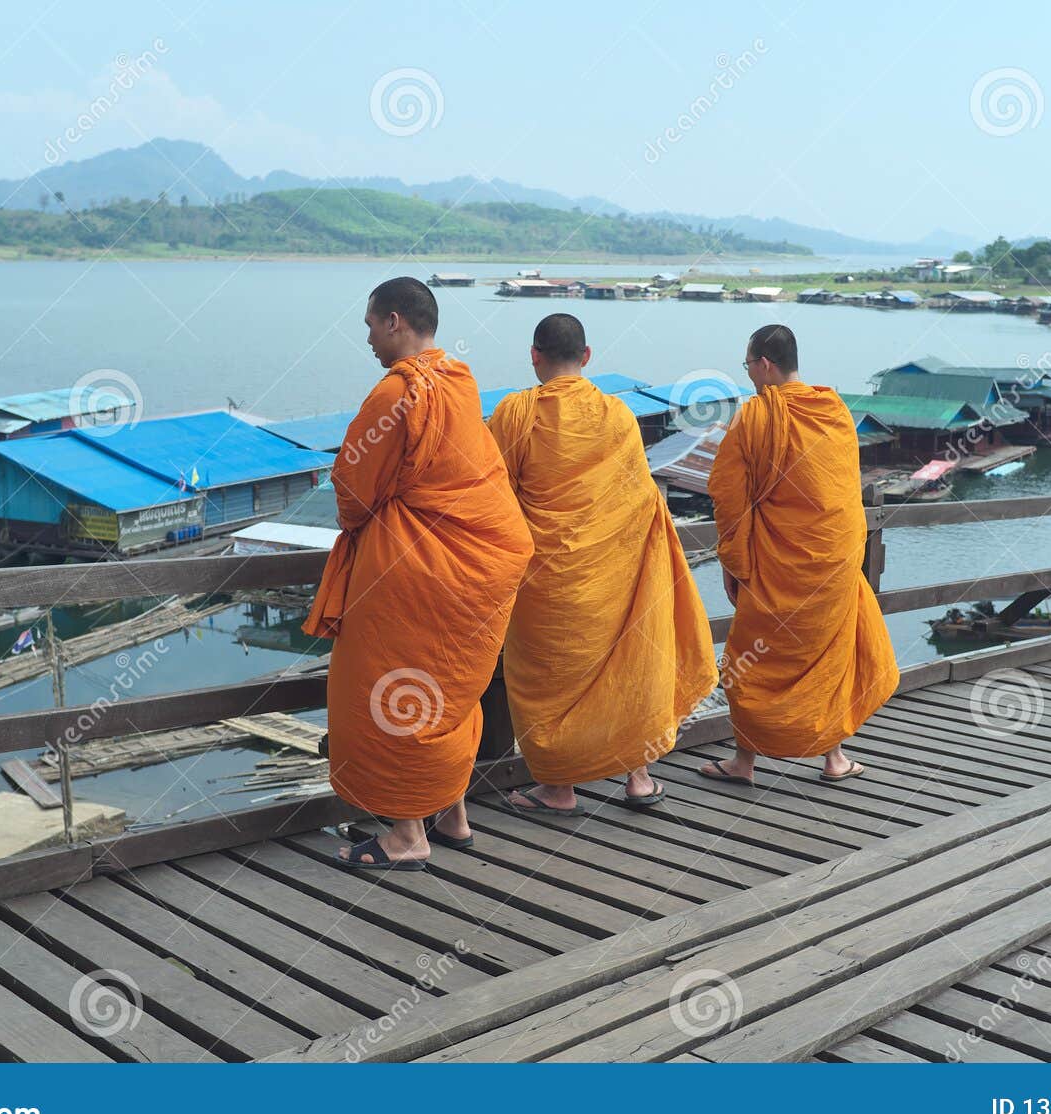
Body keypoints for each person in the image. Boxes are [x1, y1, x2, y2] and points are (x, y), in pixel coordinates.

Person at [306, 276, 533, 870]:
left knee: (391, 686)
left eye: (370, 326)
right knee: (451, 692)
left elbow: (353, 492)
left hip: (416, 571)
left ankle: (408, 834)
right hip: (479, 560)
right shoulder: (459, 382)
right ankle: (452, 816)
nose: (368, 340)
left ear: (395, 321)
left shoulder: (396, 395)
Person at [486, 314, 716, 816]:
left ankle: (558, 788)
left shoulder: (515, 411)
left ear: (534, 355)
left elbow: (496, 496)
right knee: (627, 661)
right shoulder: (617, 415)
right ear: (586, 357)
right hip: (612, 572)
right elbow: (641, 501)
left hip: (546, 578)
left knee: (552, 678)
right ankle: (638, 777)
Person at [701, 323, 898, 784]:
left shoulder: (753, 418)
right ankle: (834, 759)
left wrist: (735, 562)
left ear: (765, 365)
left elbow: (729, 497)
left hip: (774, 565)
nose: (748, 373)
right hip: (832, 557)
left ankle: (743, 763)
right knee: (827, 653)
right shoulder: (832, 409)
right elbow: (844, 490)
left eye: (748, 364)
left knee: (751, 656)